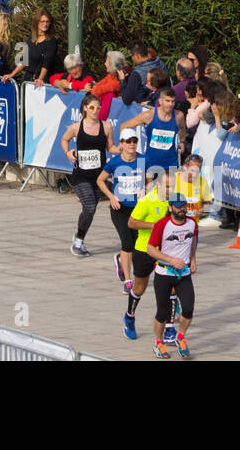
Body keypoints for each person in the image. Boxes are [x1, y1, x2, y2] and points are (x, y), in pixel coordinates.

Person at [146, 193, 198, 359]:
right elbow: (151, 249)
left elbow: (192, 241)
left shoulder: (192, 223)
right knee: (163, 312)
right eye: (178, 206)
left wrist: (193, 259)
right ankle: (158, 343)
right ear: (170, 208)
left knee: (188, 308)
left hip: (183, 274)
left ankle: (180, 337)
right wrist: (171, 260)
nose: (182, 209)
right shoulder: (162, 225)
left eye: (184, 206)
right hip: (164, 273)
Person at [123, 169, 174, 342]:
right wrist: (154, 226)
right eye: (167, 186)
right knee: (140, 288)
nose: (170, 190)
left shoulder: (174, 200)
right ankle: (129, 316)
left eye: (172, 186)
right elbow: (131, 223)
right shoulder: (146, 201)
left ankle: (169, 328)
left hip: (165, 252)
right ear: (158, 185)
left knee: (172, 288)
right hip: (144, 249)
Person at [97, 129, 147, 298]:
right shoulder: (115, 162)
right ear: (122, 144)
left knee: (135, 244)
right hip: (120, 208)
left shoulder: (143, 159)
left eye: (134, 141)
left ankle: (121, 260)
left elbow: (152, 178)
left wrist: (146, 188)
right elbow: (100, 180)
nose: (132, 144)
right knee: (127, 243)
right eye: (128, 141)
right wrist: (111, 197)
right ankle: (128, 281)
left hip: (138, 208)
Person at [61, 93, 111, 257]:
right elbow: (64, 139)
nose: (95, 111)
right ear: (85, 108)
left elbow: (111, 148)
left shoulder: (106, 127)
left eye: (98, 107)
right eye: (91, 107)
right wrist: (68, 152)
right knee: (89, 206)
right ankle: (78, 242)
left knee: (90, 209)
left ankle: (79, 237)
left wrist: (126, 149)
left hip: (99, 176)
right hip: (81, 174)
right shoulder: (76, 127)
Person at [120, 87, 182, 174]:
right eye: (167, 101)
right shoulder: (149, 115)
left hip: (171, 164)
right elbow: (124, 126)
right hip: (151, 164)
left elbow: (182, 129)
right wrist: (124, 146)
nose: (170, 104)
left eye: (173, 101)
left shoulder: (179, 116)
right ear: (160, 101)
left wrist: (182, 141)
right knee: (151, 188)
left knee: (170, 188)